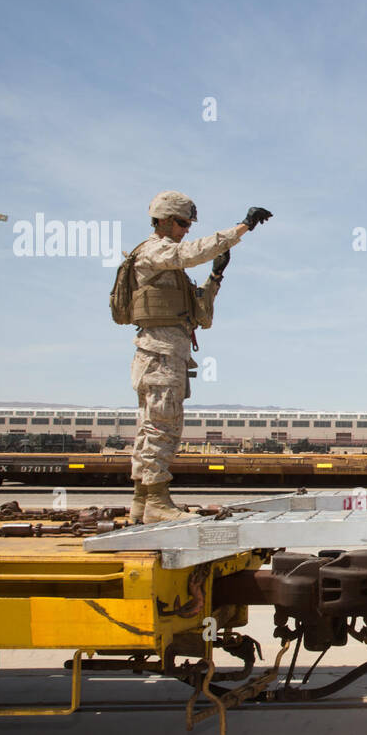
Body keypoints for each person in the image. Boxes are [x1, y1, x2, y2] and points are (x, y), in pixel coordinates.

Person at [128, 191, 272, 523]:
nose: (185, 230)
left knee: (153, 427)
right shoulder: (154, 251)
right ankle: (156, 503)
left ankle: (142, 500)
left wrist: (215, 278)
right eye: (181, 223)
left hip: (166, 355)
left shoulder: (170, 268)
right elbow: (192, 253)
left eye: (188, 225)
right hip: (159, 355)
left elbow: (201, 318)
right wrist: (241, 229)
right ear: (162, 220)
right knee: (161, 428)